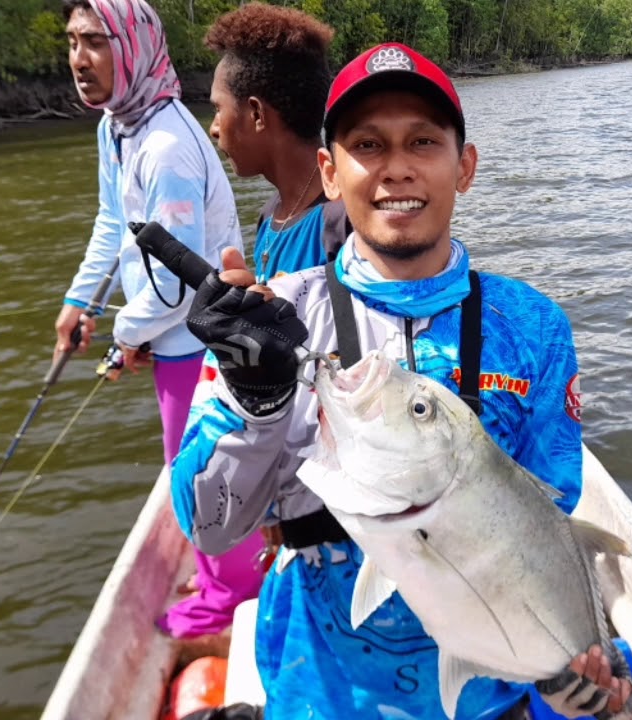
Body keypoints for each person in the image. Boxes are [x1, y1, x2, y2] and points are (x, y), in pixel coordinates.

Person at [170, 43, 632, 719]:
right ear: (328, 171)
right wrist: (256, 401)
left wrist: (580, 670)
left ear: (464, 166)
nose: (396, 168)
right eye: (367, 144)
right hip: (317, 692)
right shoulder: (273, 320)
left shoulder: (533, 327)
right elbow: (208, 528)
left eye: (422, 141)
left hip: (487, 696)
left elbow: (550, 515)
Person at [155, 2, 350, 641]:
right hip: (283, 499)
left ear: (258, 114)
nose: (214, 127)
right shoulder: (272, 219)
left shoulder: (339, 226)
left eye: (219, 108)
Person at [56, 0, 242, 638]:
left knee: (202, 472)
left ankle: (230, 595)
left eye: (96, 42)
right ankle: (219, 575)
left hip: (203, 338)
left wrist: (124, 334)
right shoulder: (117, 126)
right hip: (166, 332)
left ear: (132, 46)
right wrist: (79, 301)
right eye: (73, 41)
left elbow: (175, 288)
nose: (80, 59)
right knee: (187, 466)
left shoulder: (165, 149)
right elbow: (114, 223)